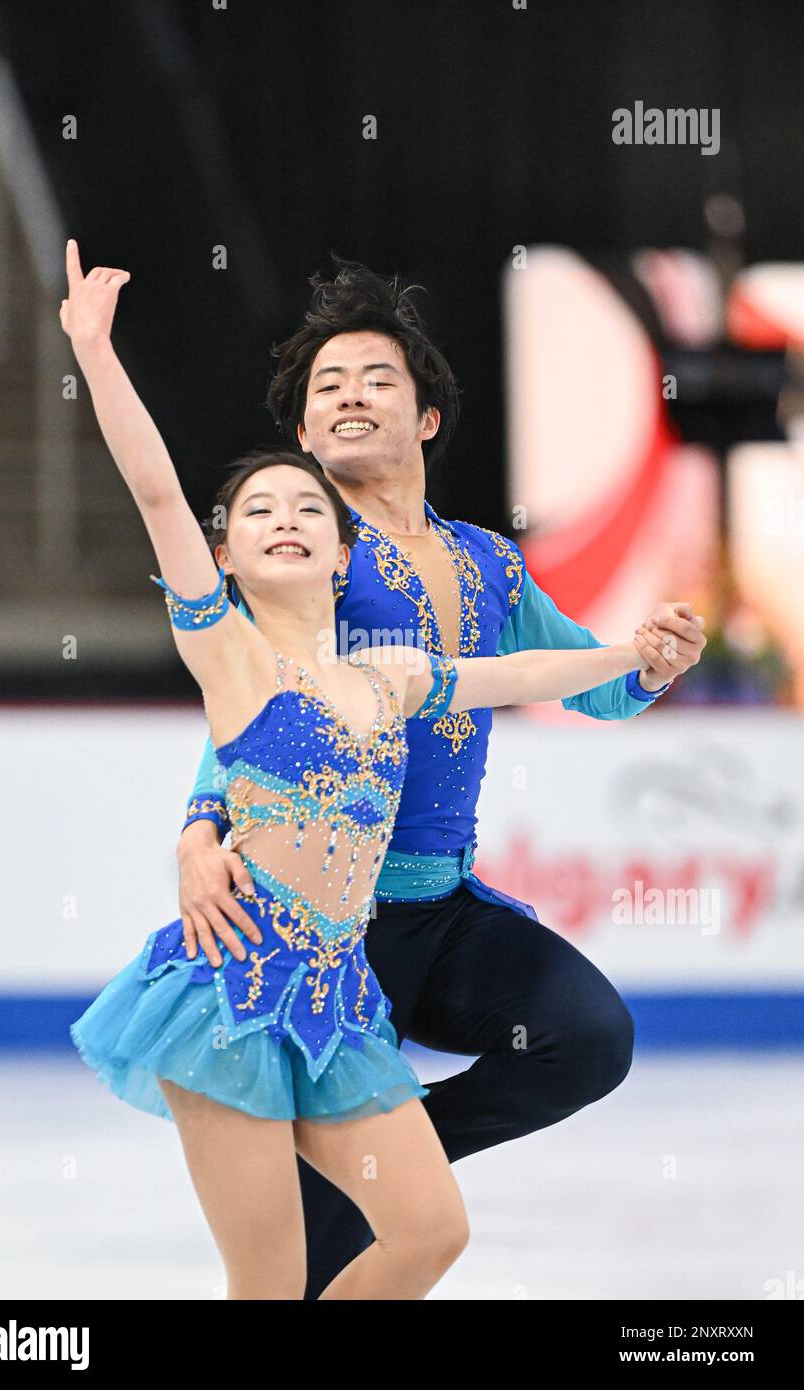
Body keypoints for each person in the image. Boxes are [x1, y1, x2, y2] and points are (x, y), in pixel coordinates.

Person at [60, 239, 664, 1300]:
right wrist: (201, 826)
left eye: (375, 379)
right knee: (285, 1273)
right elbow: (232, 674)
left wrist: (638, 659)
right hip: (272, 959)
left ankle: (372, 1160)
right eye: (325, 388)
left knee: (548, 1083)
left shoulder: (447, 606)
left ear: (424, 416)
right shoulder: (277, 604)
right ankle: (330, 1187)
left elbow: (534, 672)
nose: (348, 398)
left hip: (401, 942)